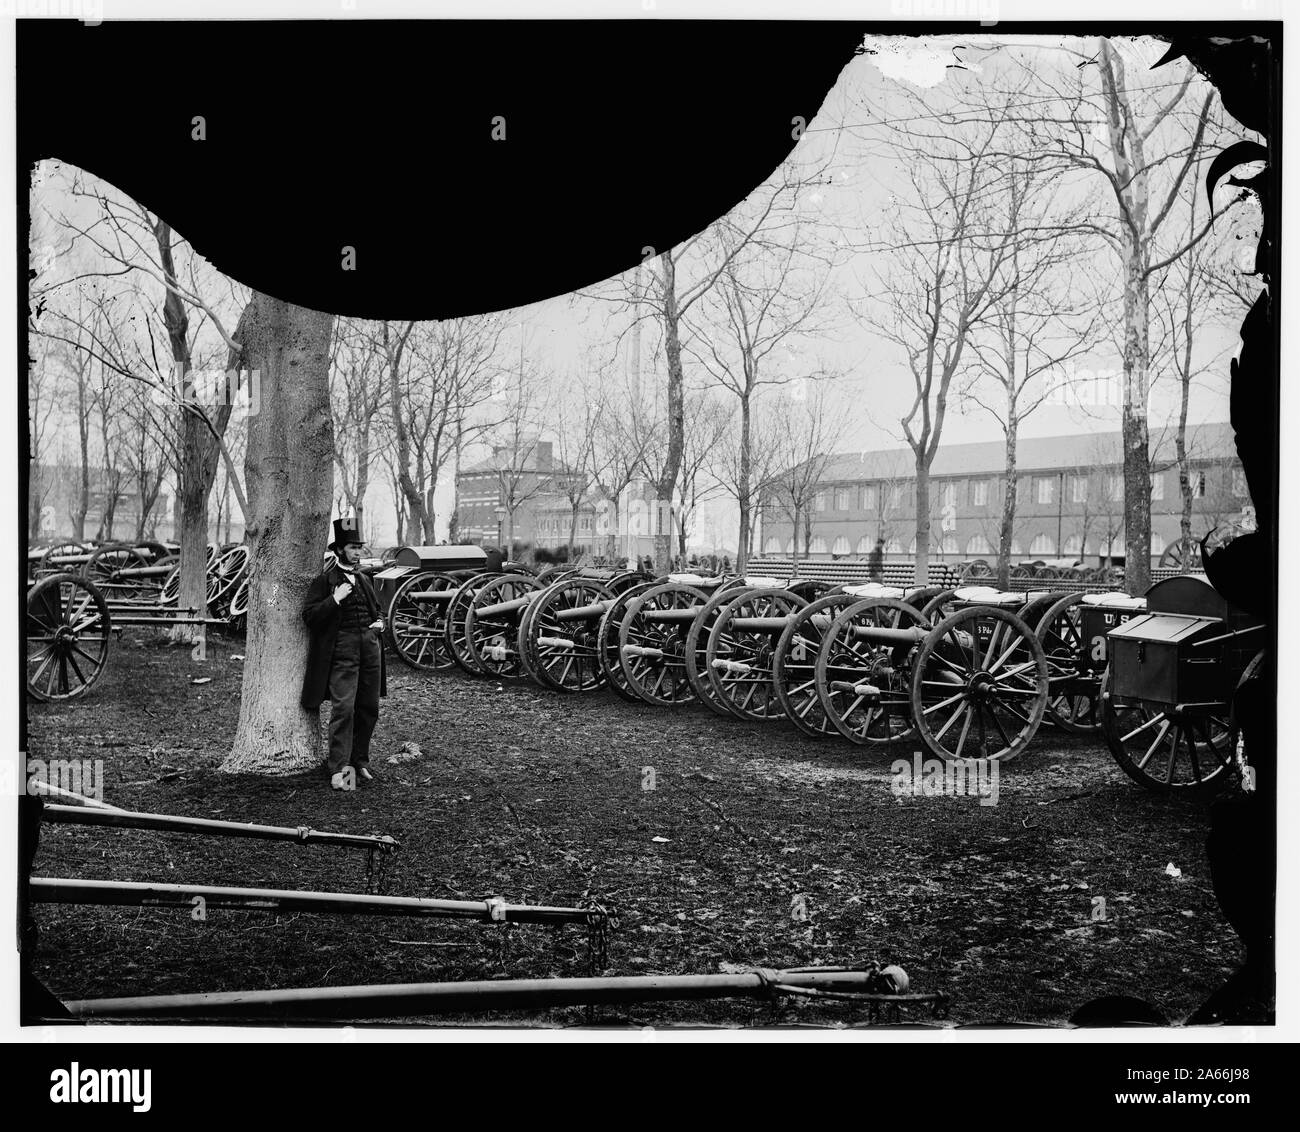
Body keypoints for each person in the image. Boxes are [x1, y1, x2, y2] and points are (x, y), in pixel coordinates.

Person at [301, 516, 387, 790]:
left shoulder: (364, 578)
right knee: (344, 709)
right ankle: (339, 769)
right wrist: (335, 599)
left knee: (369, 708)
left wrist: (380, 623)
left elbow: (378, 609)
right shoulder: (325, 581)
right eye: (352, 547)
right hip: (343, 652)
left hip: (370, 649)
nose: (358, 552)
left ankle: (359, 762)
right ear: (339, 550)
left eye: (359, 547)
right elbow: (310, 616)